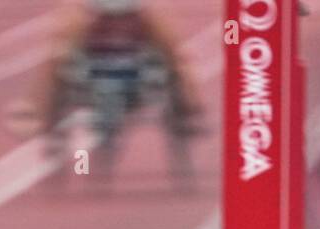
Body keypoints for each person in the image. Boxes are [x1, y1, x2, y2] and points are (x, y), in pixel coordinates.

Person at [14, 0, 203, 138]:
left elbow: (172, 52)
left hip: (135, 72)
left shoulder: (149, 16)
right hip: (93, 71)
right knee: (57, 52)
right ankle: (36, 107)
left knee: (177, 56)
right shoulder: (80, 18)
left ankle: (190, 106)